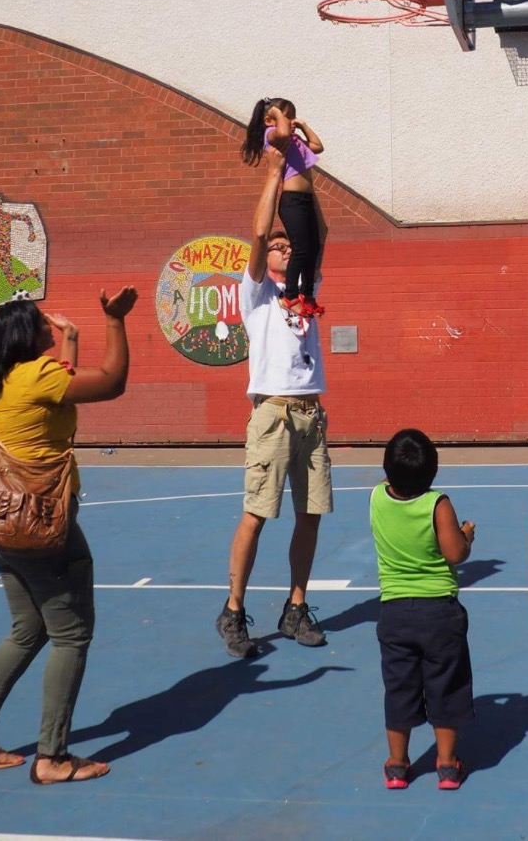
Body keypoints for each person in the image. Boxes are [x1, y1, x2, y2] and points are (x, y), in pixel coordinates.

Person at [0, 286, 138, 785]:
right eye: (38, 323)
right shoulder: (37, 376)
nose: (44, 327)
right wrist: (113, 320)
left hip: (1, 525)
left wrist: (70, 340)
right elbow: (112, 382)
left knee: (27, 631)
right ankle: (52, 756)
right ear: (25, 337)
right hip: (43, 529)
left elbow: (62, 384)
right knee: (72, 635)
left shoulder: (0, 382)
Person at [216, 144, 331, 658]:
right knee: (257, 514)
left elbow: (319, 234)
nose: (286, 245)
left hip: (312, 413)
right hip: (274, 413)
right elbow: (261, 233)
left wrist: (305, 169)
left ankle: (295, 606)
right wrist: (274, 173)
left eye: (290, 242)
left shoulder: (306, 285)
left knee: (311, 515)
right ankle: (234, 609)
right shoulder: (257, 293)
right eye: (280, 243)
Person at [370, 428, 476, 792]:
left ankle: (398, 765)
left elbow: (392, 488)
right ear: (433, 471)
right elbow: (455, 553)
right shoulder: (438, 504)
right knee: (445, 686)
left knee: (399, 689)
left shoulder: (375, 498)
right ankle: (446, 766)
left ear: (387, 469)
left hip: (395, 613)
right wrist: (466, 535)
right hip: (439, 613)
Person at [240, 96, 325, 319]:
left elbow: (318, 146)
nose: (290, 121)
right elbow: (283, 132)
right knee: (300, 248)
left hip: (306, 200)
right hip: (292, 200)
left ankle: (308, 295)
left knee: (313, 247)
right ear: (270, 120)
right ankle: (290, 295)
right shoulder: (273, 137)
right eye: (287, 116)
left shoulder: (295, 141)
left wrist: (304, 126)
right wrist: (276, 114)